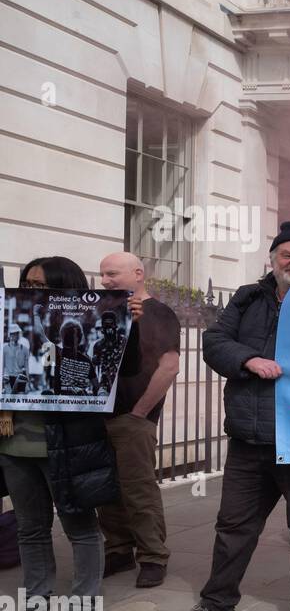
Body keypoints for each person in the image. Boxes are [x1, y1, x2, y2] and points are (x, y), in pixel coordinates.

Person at [165, 222, 290, 611]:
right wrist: (248, 360)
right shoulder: (247, 297)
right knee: (234, 526)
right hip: (249, 436)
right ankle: (217, 604)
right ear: (273, 259)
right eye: (287, 255)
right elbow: (215, 342)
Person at [0, 257, 127, 611]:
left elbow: (120, 372)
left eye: (42, 284)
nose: (32, 288)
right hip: (15, 443)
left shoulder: (88, 329)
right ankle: (36, 602)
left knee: (79, 526)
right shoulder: (11, 326)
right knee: (30, 528)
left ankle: (83, 605)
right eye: (27, 282)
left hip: (68, 442)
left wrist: (127, 323)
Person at [96, 252, 181, 588]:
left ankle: (152, 556)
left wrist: (140, 412)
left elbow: (169, 366)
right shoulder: (102, 311)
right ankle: (118, 550)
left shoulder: (158, 312)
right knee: (105, 489)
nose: (105, 281)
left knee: (138, 489)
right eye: (102, 275)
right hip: (99, 414)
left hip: (133, 417)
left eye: (112, 274)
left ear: (138, 273)